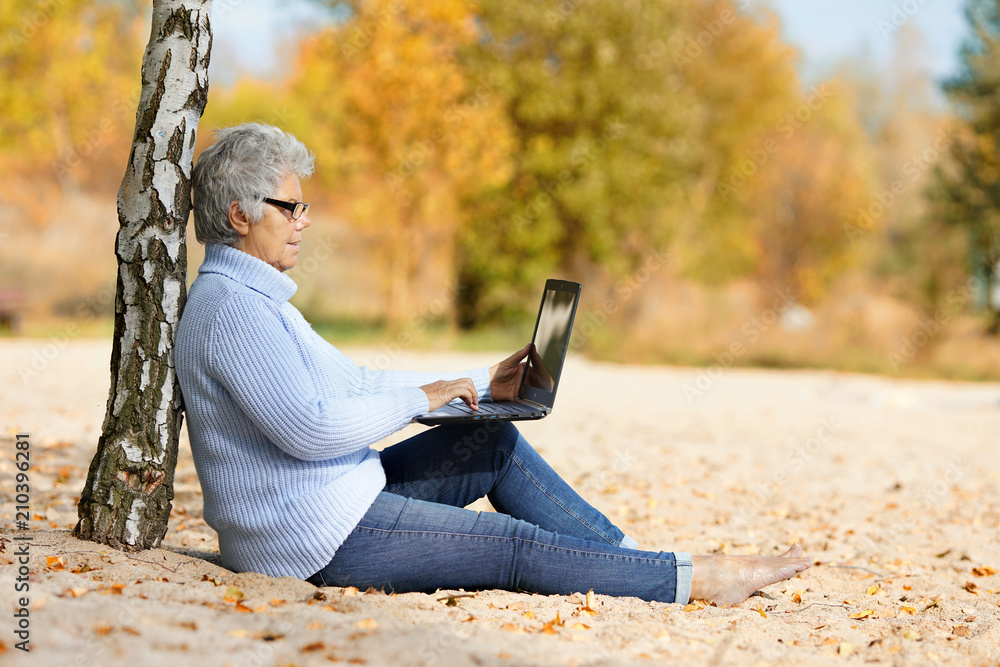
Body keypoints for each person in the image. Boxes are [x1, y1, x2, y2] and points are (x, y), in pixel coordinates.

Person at [175, 123, 810, 607]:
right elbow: (310, 431)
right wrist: (422, 395)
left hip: (337, 501)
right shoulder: (233, 311)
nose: (303, 221)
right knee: (511, 549)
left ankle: (629, 561)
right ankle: (696, 578)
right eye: (291, 208)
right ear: (241, 215)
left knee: (490, 440)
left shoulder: (257, 300)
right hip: (313, 540)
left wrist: (481, 384)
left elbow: (356, 384)